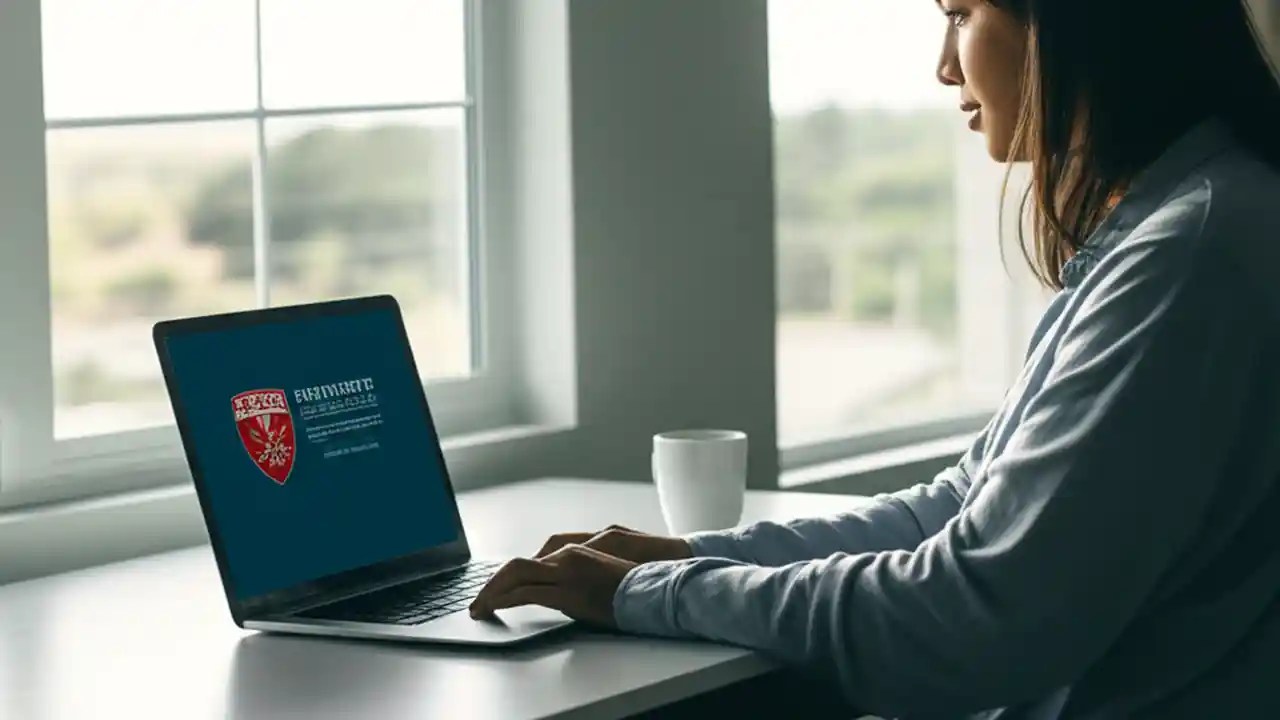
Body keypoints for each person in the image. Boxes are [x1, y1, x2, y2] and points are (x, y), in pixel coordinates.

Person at [472, 0, 1280, 716]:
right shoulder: (1181, 221)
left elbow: (977, 614)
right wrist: (690, 554)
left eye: (961, 15)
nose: (942, 65)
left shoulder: (1191, 255)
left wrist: (646, 594)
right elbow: (961, 507)